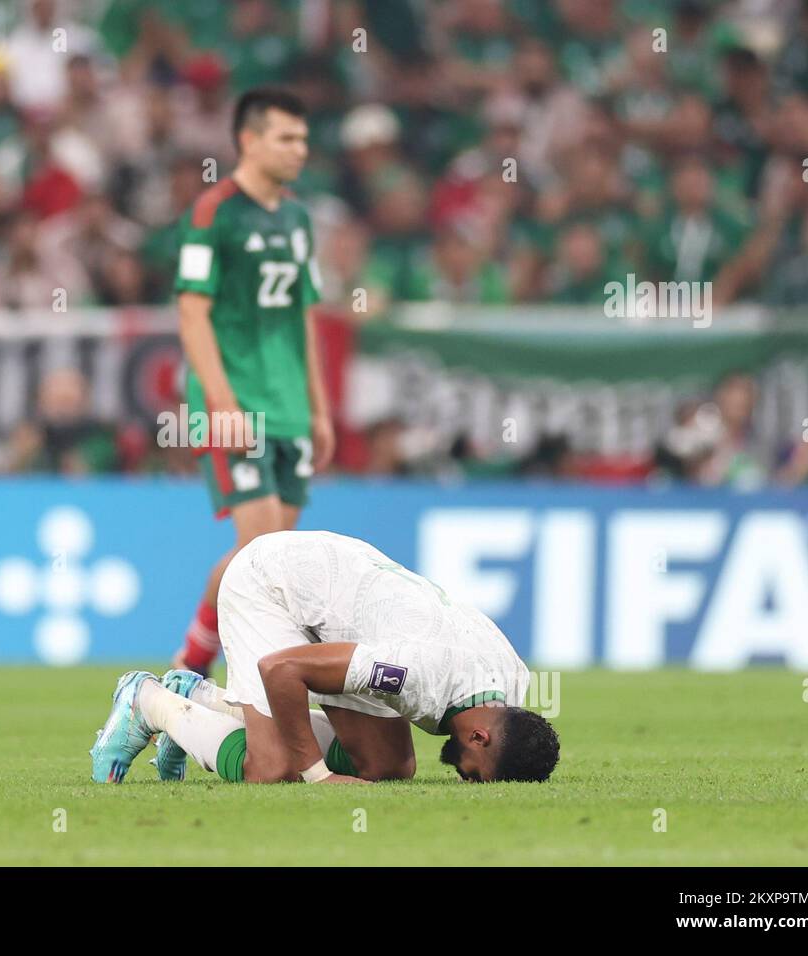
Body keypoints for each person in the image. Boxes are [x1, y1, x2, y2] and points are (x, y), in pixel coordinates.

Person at [91, 531, 559, 785]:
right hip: (273, 583)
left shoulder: (511, 680)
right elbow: (283, 670)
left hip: (349, 600)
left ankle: (202, 699)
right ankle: (149, 701)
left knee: (388, 769)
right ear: (479, 736)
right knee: (273, 768)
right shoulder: (413, 671)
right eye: (474, 776)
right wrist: (318, 775)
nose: (463, 777)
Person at [169, 88, 335, 687]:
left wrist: (320, 409)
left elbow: (304, 317)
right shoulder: (214, 213)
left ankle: (190, 662)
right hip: (236, 405)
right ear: (249, 139)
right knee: (264, 553)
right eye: (287, 138)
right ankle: (255, 691)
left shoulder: (297, 219)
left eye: (303, 139)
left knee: (264, 556)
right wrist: (223, 405)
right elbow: (192, 315)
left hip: (289, 406)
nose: (300, 150)